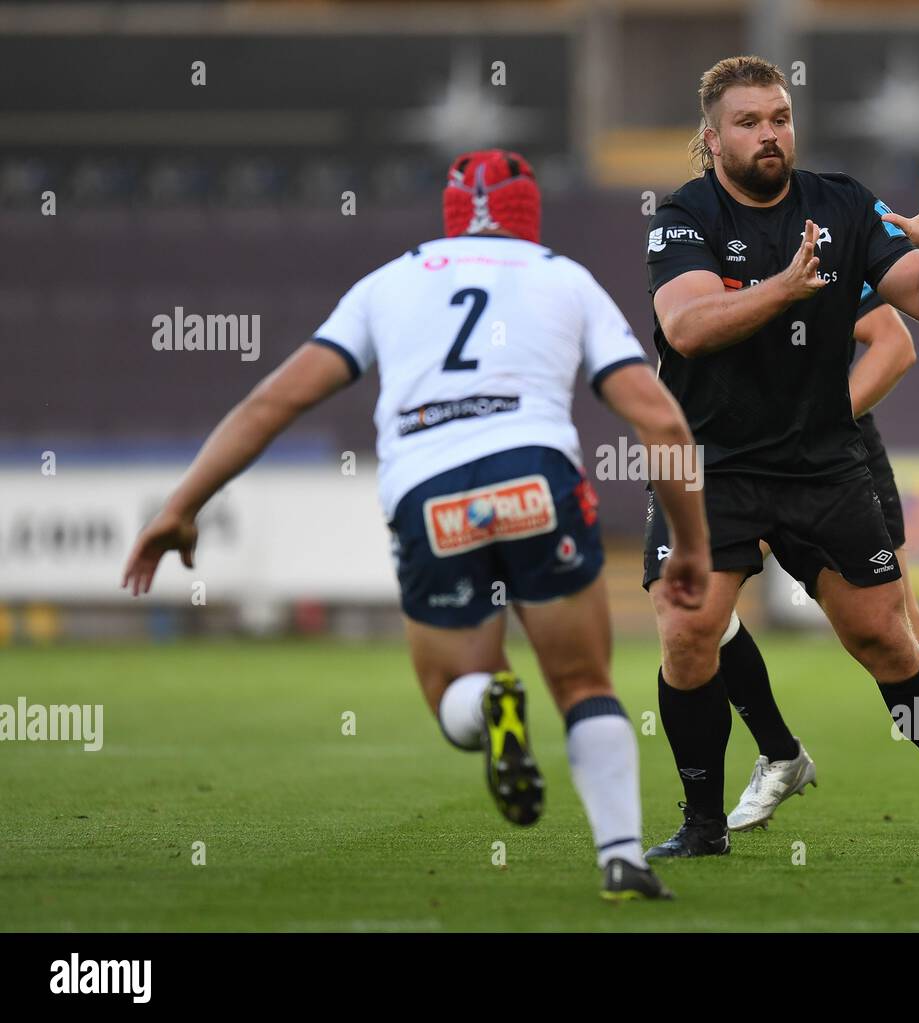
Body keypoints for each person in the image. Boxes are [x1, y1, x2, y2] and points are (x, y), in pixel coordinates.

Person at [122, 149, 713, 900]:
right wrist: (690, 544)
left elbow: (273, 402)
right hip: (537, 478)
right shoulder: (565, 278)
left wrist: (181, 506)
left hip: (429, 493)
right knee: (583, 681)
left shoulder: (387, 284)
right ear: (531, 210)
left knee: (452, 688)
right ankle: (622, 856)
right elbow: (662, 422)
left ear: (449, 213)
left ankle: (490, 702)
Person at [639, 56, 919, 859]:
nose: (769, 135)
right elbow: (687, 327)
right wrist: (781, 288)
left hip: (822, 464)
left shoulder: (842, 204)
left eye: (780, 117)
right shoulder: (682, 218)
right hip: (712, 463)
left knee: (889, 638)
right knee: (691, 631)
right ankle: (701, 827)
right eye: (749, 122)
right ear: (712, 137)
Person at [723, 288, 919, 833]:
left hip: (829, 459)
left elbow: (894, 343)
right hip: (732, 453)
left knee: (902, 627)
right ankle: (780, 754)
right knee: (698, 607)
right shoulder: (696, 233)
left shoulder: (817, 223)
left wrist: (815, 426)